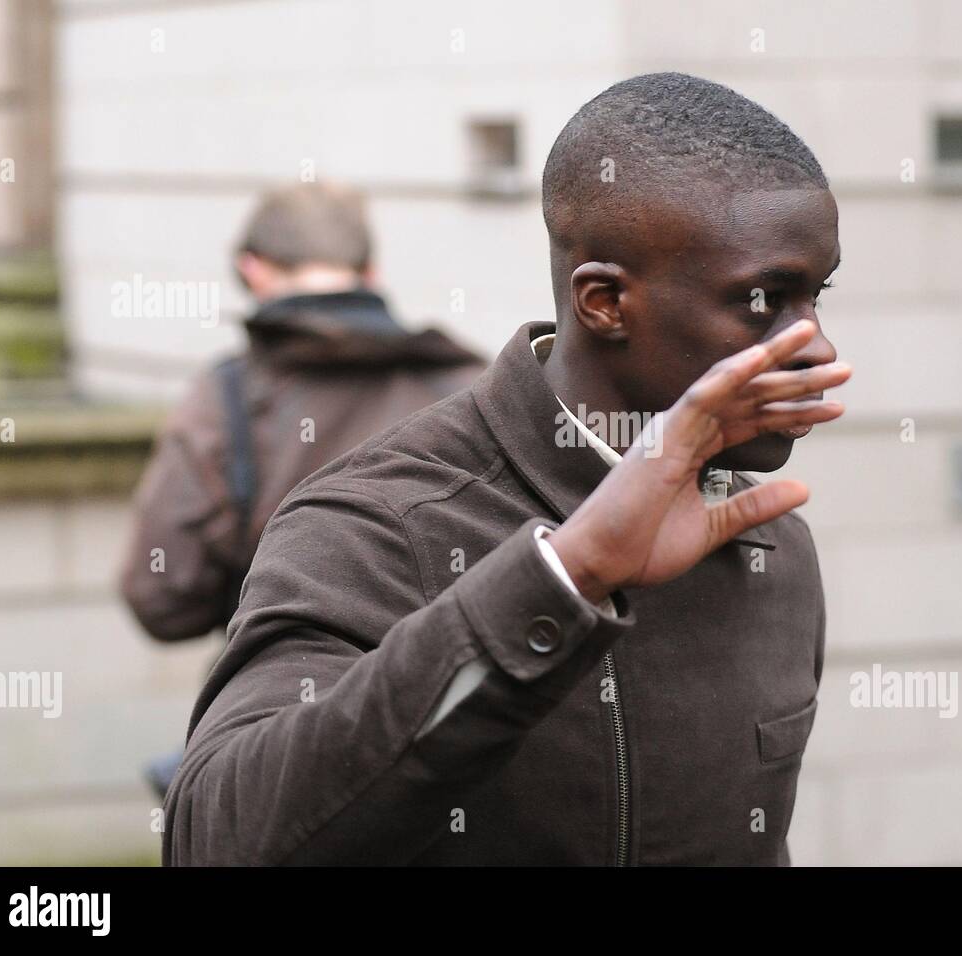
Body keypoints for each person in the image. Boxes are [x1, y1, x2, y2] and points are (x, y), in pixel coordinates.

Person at [163, 73, 850, 866]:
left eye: (818, 295)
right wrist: (565, 576)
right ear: (604, 303)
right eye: (766, 300)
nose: (818, 346)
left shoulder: (775, 548)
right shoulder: (373, 526)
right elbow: (214, 843)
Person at [118, 183, 483, 792]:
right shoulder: (472, 386)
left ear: (252, 271)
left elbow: (161, 596)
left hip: (284, 752)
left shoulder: (226, 400)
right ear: (370, 271)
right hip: (467, 737)